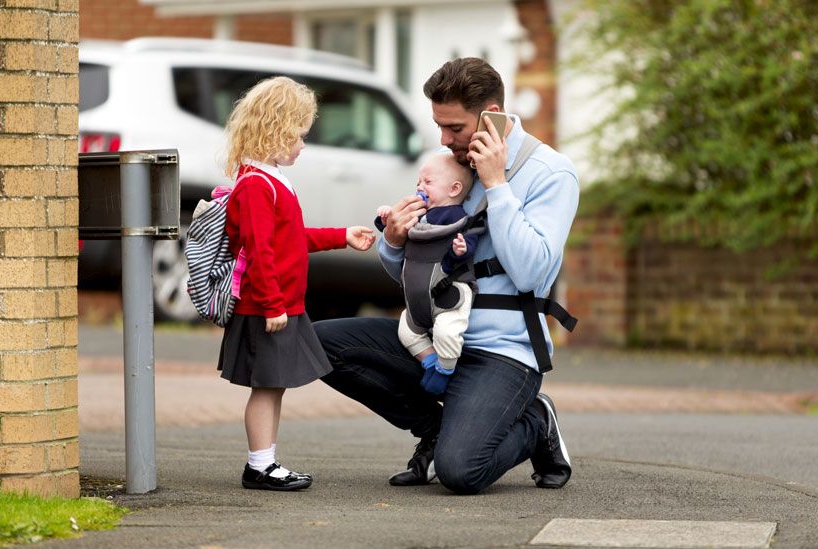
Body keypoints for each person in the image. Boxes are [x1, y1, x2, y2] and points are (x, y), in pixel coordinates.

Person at [316, 58, 579, 494]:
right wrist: (396, 243)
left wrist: (497, 186)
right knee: (319, 345)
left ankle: (536, 422)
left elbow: (532, 273)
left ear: (490, 113)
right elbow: (415, 273)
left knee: (461, 472)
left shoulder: (551, 173)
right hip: (431, 336)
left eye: (454, 128)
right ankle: (437, 430)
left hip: (503, 351)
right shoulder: (448, 166)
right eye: (439, 126)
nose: (444, 139)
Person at [217, 76, 375, 491]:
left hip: (280, 303)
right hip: (266, 307)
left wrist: (342, 235)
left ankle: (265, 461)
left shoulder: (270, 179)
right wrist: (272, 305)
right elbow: (258, 249)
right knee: (267, 387)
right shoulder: (255, 185)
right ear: (276, 130)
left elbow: (291, 238)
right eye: (299, 136)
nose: (304, 145)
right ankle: (260, 465)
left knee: (274, 386)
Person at [374, 153, 478, 395]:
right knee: (406, 332)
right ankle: (430, 361)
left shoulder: (455, 216)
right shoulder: (422, 213)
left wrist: (461, 249)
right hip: (418, 303)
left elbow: (468, 242)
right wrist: (387, 217)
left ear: (454, 189)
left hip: (448, 297)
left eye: (428, 182)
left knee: (447, 333)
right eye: (418, 182)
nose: (420, 187)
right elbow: (393, 228)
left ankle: (445, 370)